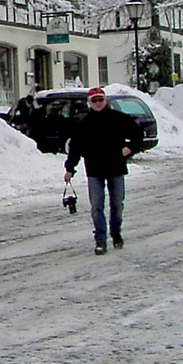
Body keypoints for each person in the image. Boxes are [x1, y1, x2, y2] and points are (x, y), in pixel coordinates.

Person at [63, 86, 145, 255]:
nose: (98, 103)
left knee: (117, 203)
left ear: (105, 100)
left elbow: (138, 134)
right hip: (94, 170)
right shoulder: (83, 123)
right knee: (97, 206)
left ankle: (116, 233)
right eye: (94, 100)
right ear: (89, 103)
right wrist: (70, 168)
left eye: (100, 99)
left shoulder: (118, 119)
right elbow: (76, 148)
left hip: (116, 168)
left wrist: (129, 148)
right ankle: (100, 239)